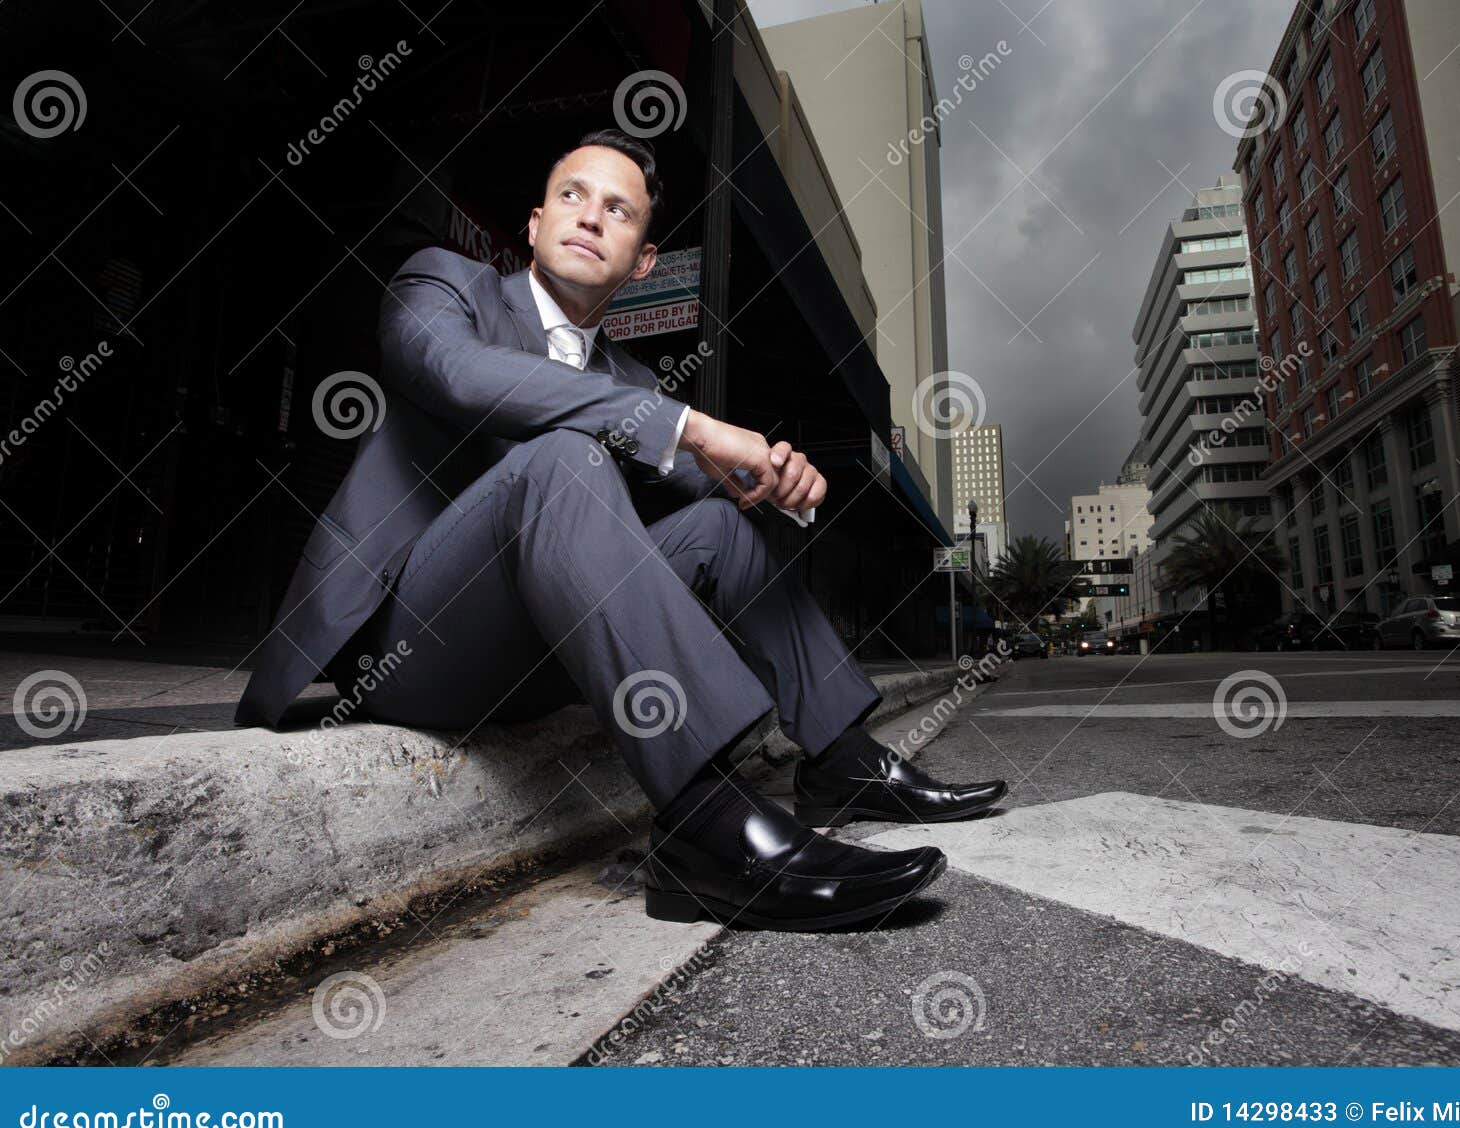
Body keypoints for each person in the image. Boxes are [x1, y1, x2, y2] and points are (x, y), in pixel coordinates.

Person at [235, 129, 1006, 930]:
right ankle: (706, 829)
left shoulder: (630, 380)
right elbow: (457, 375)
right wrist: (695, 426)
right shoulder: (444, 284)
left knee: (717, 528)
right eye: (571, 195)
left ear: (642, 262)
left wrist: (779, 478)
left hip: (535, 658)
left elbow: (716, 476)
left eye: (618, 209)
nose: (590, 217)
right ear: (533, 224)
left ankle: (843, 759)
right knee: (561, 460)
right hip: (409, 647)